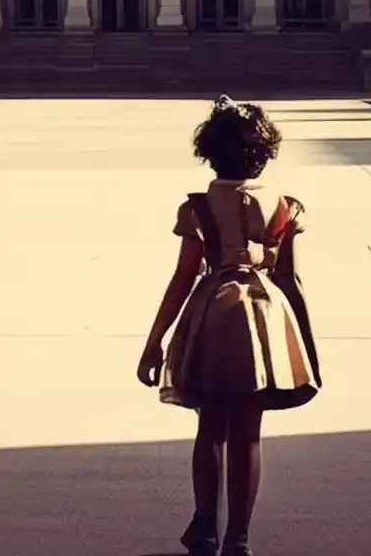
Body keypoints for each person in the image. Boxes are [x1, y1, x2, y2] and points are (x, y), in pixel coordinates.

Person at [137, 95, 322, 556]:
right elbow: (290, 280)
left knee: (211, 428)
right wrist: (306, 346)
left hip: (213, 314)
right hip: (264, 320)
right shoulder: (285, 207)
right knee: (248, 431)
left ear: (209, 153)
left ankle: (204, 525)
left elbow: (183, 276)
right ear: (264, 154)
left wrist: (154, 340)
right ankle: (238, 536)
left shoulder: (198, 208)